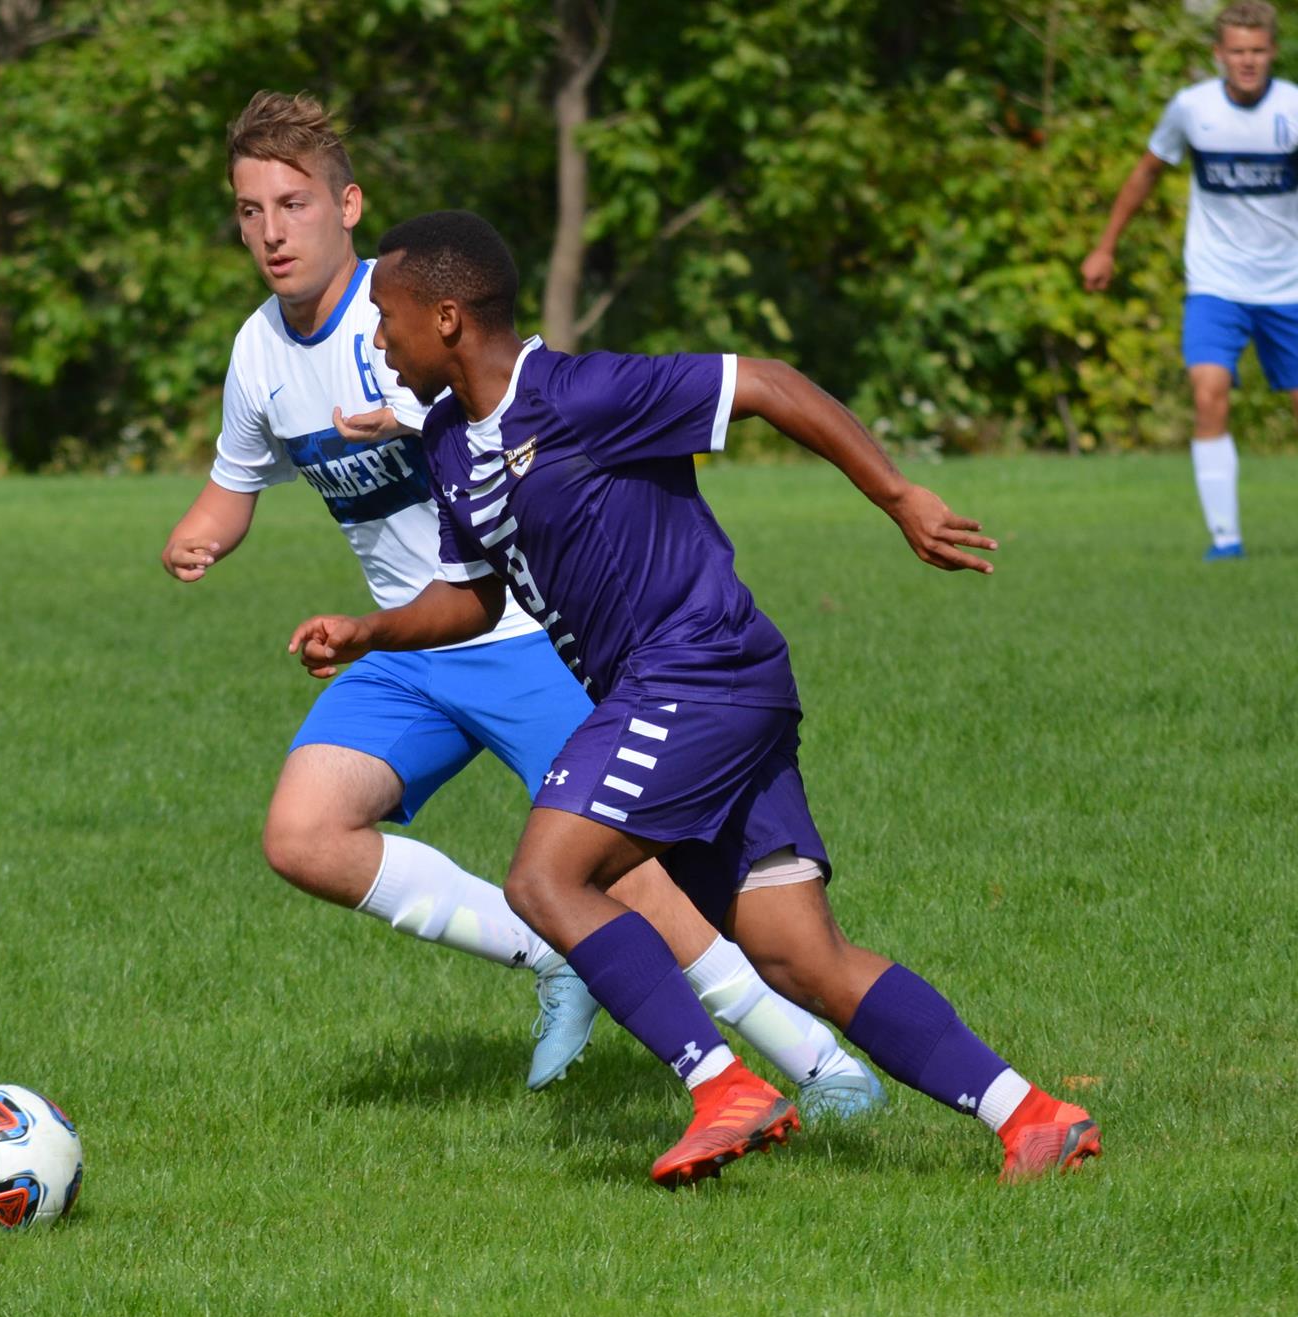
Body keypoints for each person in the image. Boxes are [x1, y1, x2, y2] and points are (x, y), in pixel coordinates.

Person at [290, 208, 1104, 1187]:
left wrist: (896, 496)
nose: (376, 340)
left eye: (386, 317)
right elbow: (473, 595)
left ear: (450, 317)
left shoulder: (583, 392)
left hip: (697, 669)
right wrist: (367, 630)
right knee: (796, 954)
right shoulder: (451, 445)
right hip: (698, 691)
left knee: (545, 878)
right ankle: (1035, 1117)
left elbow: (761, 383)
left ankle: (721, 1087)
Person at [165, 92, 883, 1113]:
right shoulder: (256, 353)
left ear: (348, 204)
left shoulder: (413, 304)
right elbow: (233, 486)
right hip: (407, 643)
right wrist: (196, 536)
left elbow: (519, 411)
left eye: (292, 203)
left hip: (512, 630)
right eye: (248, 211)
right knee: (302, 835)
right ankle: (551, 956)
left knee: (622, 878)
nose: (271, 232)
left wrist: (413, 425)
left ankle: (817, 1062)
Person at [1083, 0, 1298, 560]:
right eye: (1237, 52)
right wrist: (1106, 247)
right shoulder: (1192, 108)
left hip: (1288, 286)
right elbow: (1147, 171)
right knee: (1209, 393)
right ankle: (1225, 539)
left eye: (1257, 51)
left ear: (1272, 52)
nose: (1247, 61)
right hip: (1216, 282)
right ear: (1218, 54)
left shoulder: (1294, 110)